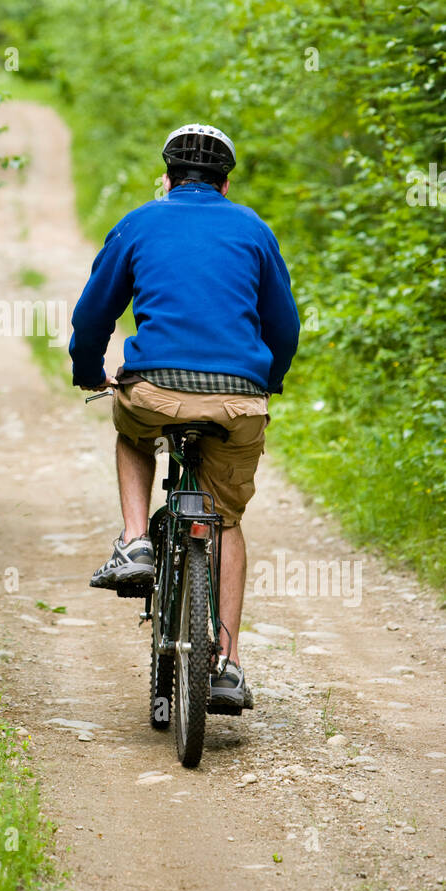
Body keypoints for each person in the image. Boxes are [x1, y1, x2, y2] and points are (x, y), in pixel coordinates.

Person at [68, 124, 300, 709]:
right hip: (236, 399)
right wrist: (264, 384)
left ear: (167, 178)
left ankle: (135, 540)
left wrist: (89, 370)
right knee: (224, 521)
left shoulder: (140, 221)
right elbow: (285, 325)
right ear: (225, 184)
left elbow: (93, 312)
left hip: (157, 390)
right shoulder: (253, 228)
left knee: (132, 432)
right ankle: (227, 664)